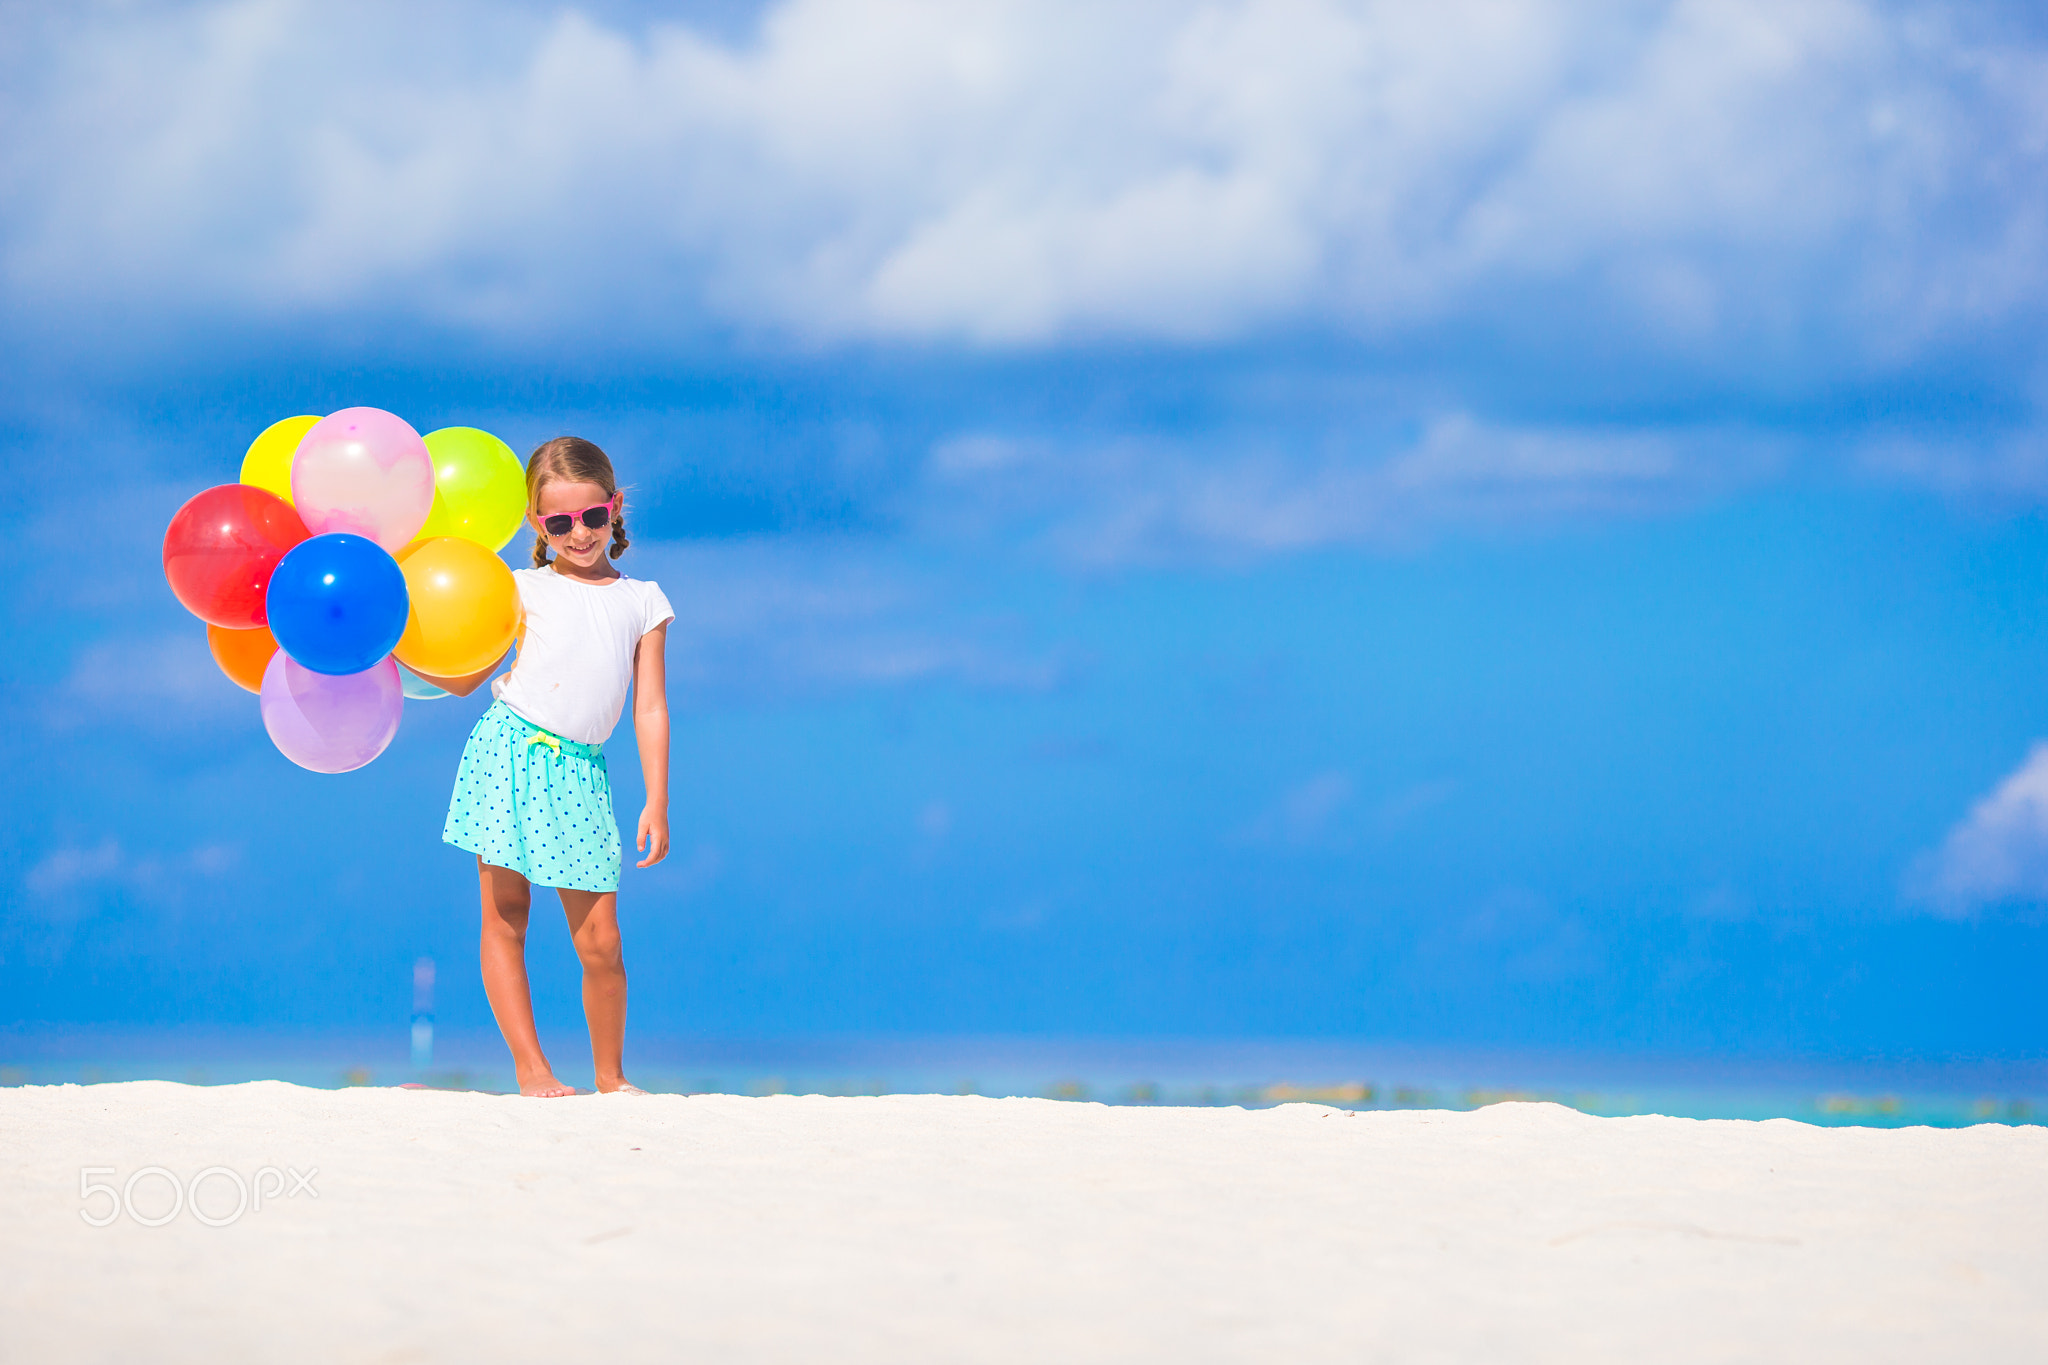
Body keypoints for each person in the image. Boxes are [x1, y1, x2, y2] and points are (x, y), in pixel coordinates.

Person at [436, 436, 672, 1097]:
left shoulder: (644, 599)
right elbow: (465, 679)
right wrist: (391, 643)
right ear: (539, 527)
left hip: (581, 772)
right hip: (507, 751)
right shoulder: (516, 589)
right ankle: (532, 1068)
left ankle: (610, 1075)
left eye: (593, 517)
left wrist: (656, 798)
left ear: (615, 507)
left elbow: (649, 708)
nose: (579, 533)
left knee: (602, 940)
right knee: (506, 914)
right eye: (560, 522)